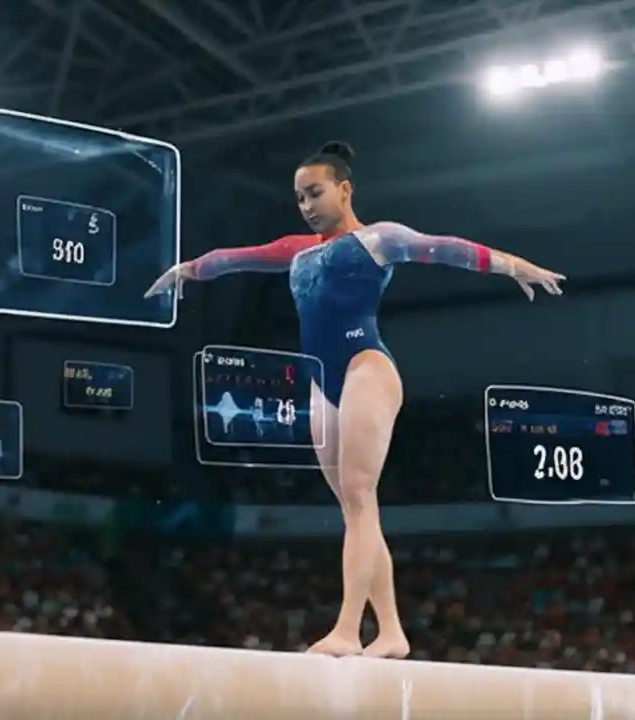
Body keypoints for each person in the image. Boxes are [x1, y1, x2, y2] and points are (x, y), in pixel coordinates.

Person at [145, 141, 565, 658]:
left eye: (315, 192)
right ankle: (391, 632)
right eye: (300, 197)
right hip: (323, 382)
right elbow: (235, 260)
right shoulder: (298, 250)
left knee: (361, 497)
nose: (306, 205)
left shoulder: (378, 240)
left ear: (344, 189)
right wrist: (186, 270)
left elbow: (445, 249)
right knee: (355, 509)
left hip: (366, 367)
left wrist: (514, 266)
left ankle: (347, 629)